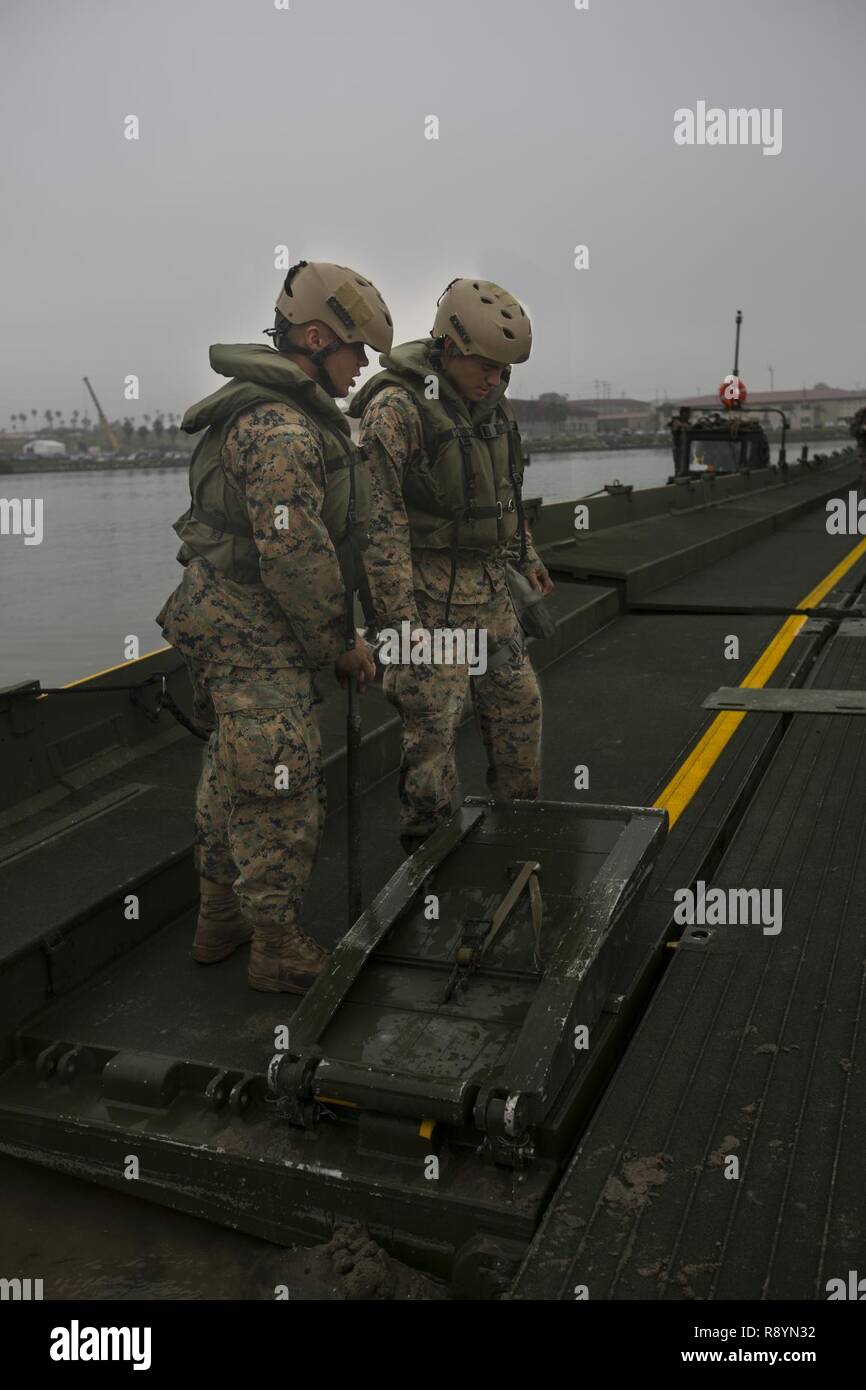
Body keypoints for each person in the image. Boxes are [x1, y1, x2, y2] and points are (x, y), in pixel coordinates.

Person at [157, 261, 392, 992]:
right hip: (256, 631)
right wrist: (340, 644)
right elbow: (294, 553)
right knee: (278, 786)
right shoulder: (284, 429)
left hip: (225, 619)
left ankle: (220, 917)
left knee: (234, 771)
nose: (362, 370)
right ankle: (278, 949)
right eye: (357, 352)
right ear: (317, 338)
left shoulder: (262, 414)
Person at [349, 277, 554, 854]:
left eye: (506, 370)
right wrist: (397, 621)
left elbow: (506, 492)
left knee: (519, 709)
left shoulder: (492, 404)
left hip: (489, 591)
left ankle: (522, 835)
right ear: (451, 347)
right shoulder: (397, 409)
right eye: (487, 366)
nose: (496, 379)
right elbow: (378, 524)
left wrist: (526, 555)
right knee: (432, 732)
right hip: (426, 600)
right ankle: (427, 855)